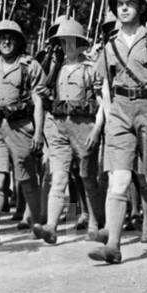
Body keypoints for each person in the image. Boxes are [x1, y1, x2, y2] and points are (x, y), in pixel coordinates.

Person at [89, 0, 147, 265]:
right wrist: (108, 114)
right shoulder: (110, 45)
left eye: (129, 3)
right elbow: (104, 83)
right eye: (120, 4)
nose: (124, 8)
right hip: (120, 111)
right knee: (119, 177)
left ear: (141, 8)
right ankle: (113, 245)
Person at [34, 19, 105, 245]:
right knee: (59, 177)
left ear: (79, 43)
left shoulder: (91, 68)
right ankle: (51, 226)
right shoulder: (56, 68)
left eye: (70, 42)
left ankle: (95, 223)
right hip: (59, 126)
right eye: (62, 42)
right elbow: (43, 96)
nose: (66, 46)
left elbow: (102, 102)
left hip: (84, 127)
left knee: (87, 178)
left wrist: (97, 129)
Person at [0, 19, 45, 247]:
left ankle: (37, 222)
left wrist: (38, 133)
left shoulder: (30, 66)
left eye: (10, 38)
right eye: (2, 38)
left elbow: (38, 101)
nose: (6, 42)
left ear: (19, 41)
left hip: (20, 127)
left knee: (26, 180)